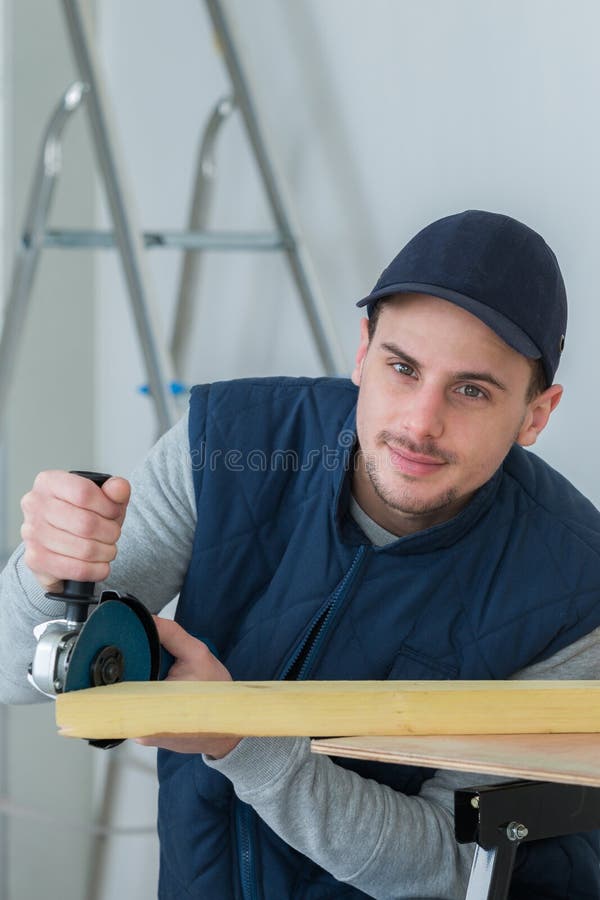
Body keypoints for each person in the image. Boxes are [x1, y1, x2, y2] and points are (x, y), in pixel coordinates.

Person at [1, 208, 600, 900]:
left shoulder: (575, 589)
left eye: (471, 390)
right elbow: (16, 673)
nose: (420, 423)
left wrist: (240, 739)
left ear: (535, 414)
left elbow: (452, 864)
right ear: (363, 351)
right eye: (402, 368)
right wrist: (45, 569)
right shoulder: (223, 448)